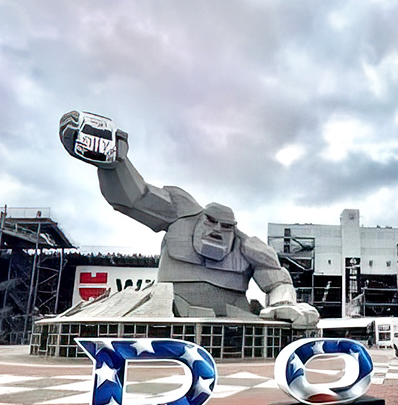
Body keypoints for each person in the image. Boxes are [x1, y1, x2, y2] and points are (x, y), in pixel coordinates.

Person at [59, 112, 319, 326]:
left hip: (229, 324)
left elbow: (278, 282)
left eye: (226, 226)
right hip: (165, 315)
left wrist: (283, 304)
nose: (217, 229)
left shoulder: (248, 247)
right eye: (212, 221)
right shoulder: (180, 215)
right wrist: (115, 162)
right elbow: (136, 198)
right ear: (201, 217)